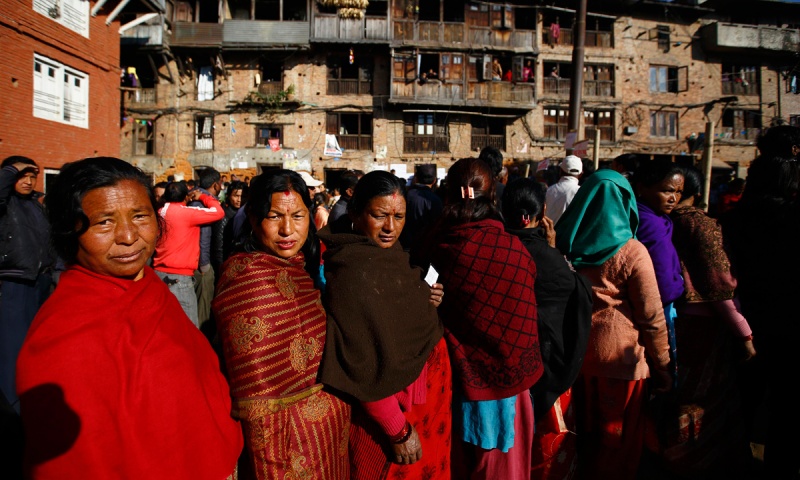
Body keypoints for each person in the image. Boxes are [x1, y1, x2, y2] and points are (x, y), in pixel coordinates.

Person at [16, 157, 243, 478]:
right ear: (70, 230)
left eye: (140, 216)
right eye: (104, 222)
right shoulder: (64, 337)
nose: (127, 236)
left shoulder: (147, 285)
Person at [212, 170, 350, 479]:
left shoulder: (298, 267)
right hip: (287, 450)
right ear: (252, 217)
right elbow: (257, 403)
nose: (287, 229)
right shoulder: (247, 281)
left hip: (327, 439)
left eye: (298, 216)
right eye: (274, 216)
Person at [317, 170, 451, 480]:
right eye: (379, 215)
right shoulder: (355, 271)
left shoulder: (386, 257)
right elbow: (363, 366)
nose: (390, 227)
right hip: (393, 417)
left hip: (423, 407)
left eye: (399, 217)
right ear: (355, 213)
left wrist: (424, 298)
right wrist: (398, 430)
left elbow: (397, 311)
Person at [417, 157, 543, 479]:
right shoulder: (515, 248)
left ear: (448, 194)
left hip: (459, 387)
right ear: (493, 196)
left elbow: (426, 297)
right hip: (512, 391)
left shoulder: (437, 246)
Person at [554, 169, 673, 480]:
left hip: (578, 359)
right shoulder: (633, 252)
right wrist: (663, 365)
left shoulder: (566, 242)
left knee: (587, 442)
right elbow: (651, 316)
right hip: (622, 363)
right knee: (617, 447)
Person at [641, 165, 756, 478]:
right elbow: (720, 284)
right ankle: (694, 459)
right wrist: (745, 335)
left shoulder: (660, 220)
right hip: (704, 326)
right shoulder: (697, 223)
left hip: (674, 320)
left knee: (678, 392)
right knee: (701, 399)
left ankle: (671, 454)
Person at [501, 178, 593, 480]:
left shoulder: (498, 251)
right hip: (549, 370)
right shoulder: (553, 263)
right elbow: (572, 305)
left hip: (507, 375)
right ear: (541, 213)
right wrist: (553, 250)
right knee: (546, 447)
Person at [721, 154, 800, 479]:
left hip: (740, 320)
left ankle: (735, 462)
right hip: (786, 322)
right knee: (785, 406)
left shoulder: (732, 217)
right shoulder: (791, 217)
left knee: (744, 400)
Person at [0, 156, 55, 418]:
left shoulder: (36, 205)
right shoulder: (5, 203)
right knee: (12, 349)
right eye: (23, 176)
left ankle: (31, 400)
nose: (29, 181)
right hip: (14, 282)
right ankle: (12, 410)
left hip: (40, 281)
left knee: (35, 346)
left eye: (33, 176)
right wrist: (11, 170)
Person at [633, 159, 685, 387]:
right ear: (644, 188)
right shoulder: (649, 222)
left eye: (679, 192)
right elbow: (663, 276)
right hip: (657, 305)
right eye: (667, 191)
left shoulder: (658, 218)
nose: (674, 198)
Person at [152, 180, 224, 326]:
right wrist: (202, 197)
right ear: (185, 197)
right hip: (180, 278)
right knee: (189, 327)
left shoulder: (160, 212)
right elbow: (218, 212)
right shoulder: (187, 213)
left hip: (158, 273)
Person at [189, 167, 223, 337]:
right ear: (216, 185)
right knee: (203, 309)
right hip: (200, 264)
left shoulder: (195, 199)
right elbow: (204, 236)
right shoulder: (202, 203)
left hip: (196, 261)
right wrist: (204, 266)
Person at [399, 164, 442, 254]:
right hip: (424, 247)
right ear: (434, 180)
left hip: (403, 244)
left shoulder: (405, 195)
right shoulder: (435, 199)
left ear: (416, 178)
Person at [211, 180, 248, 278]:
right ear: (228, 196)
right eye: (236, 196)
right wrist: (221, 271)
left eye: (243, 196)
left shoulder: (246, 214)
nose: (239, 200)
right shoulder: (224, 216)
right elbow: (218, 248)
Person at [545, 155, 583, 224]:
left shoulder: (549, 191)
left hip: (548, 232)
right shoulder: (582, 193)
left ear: (560, 171)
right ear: (581, 174)